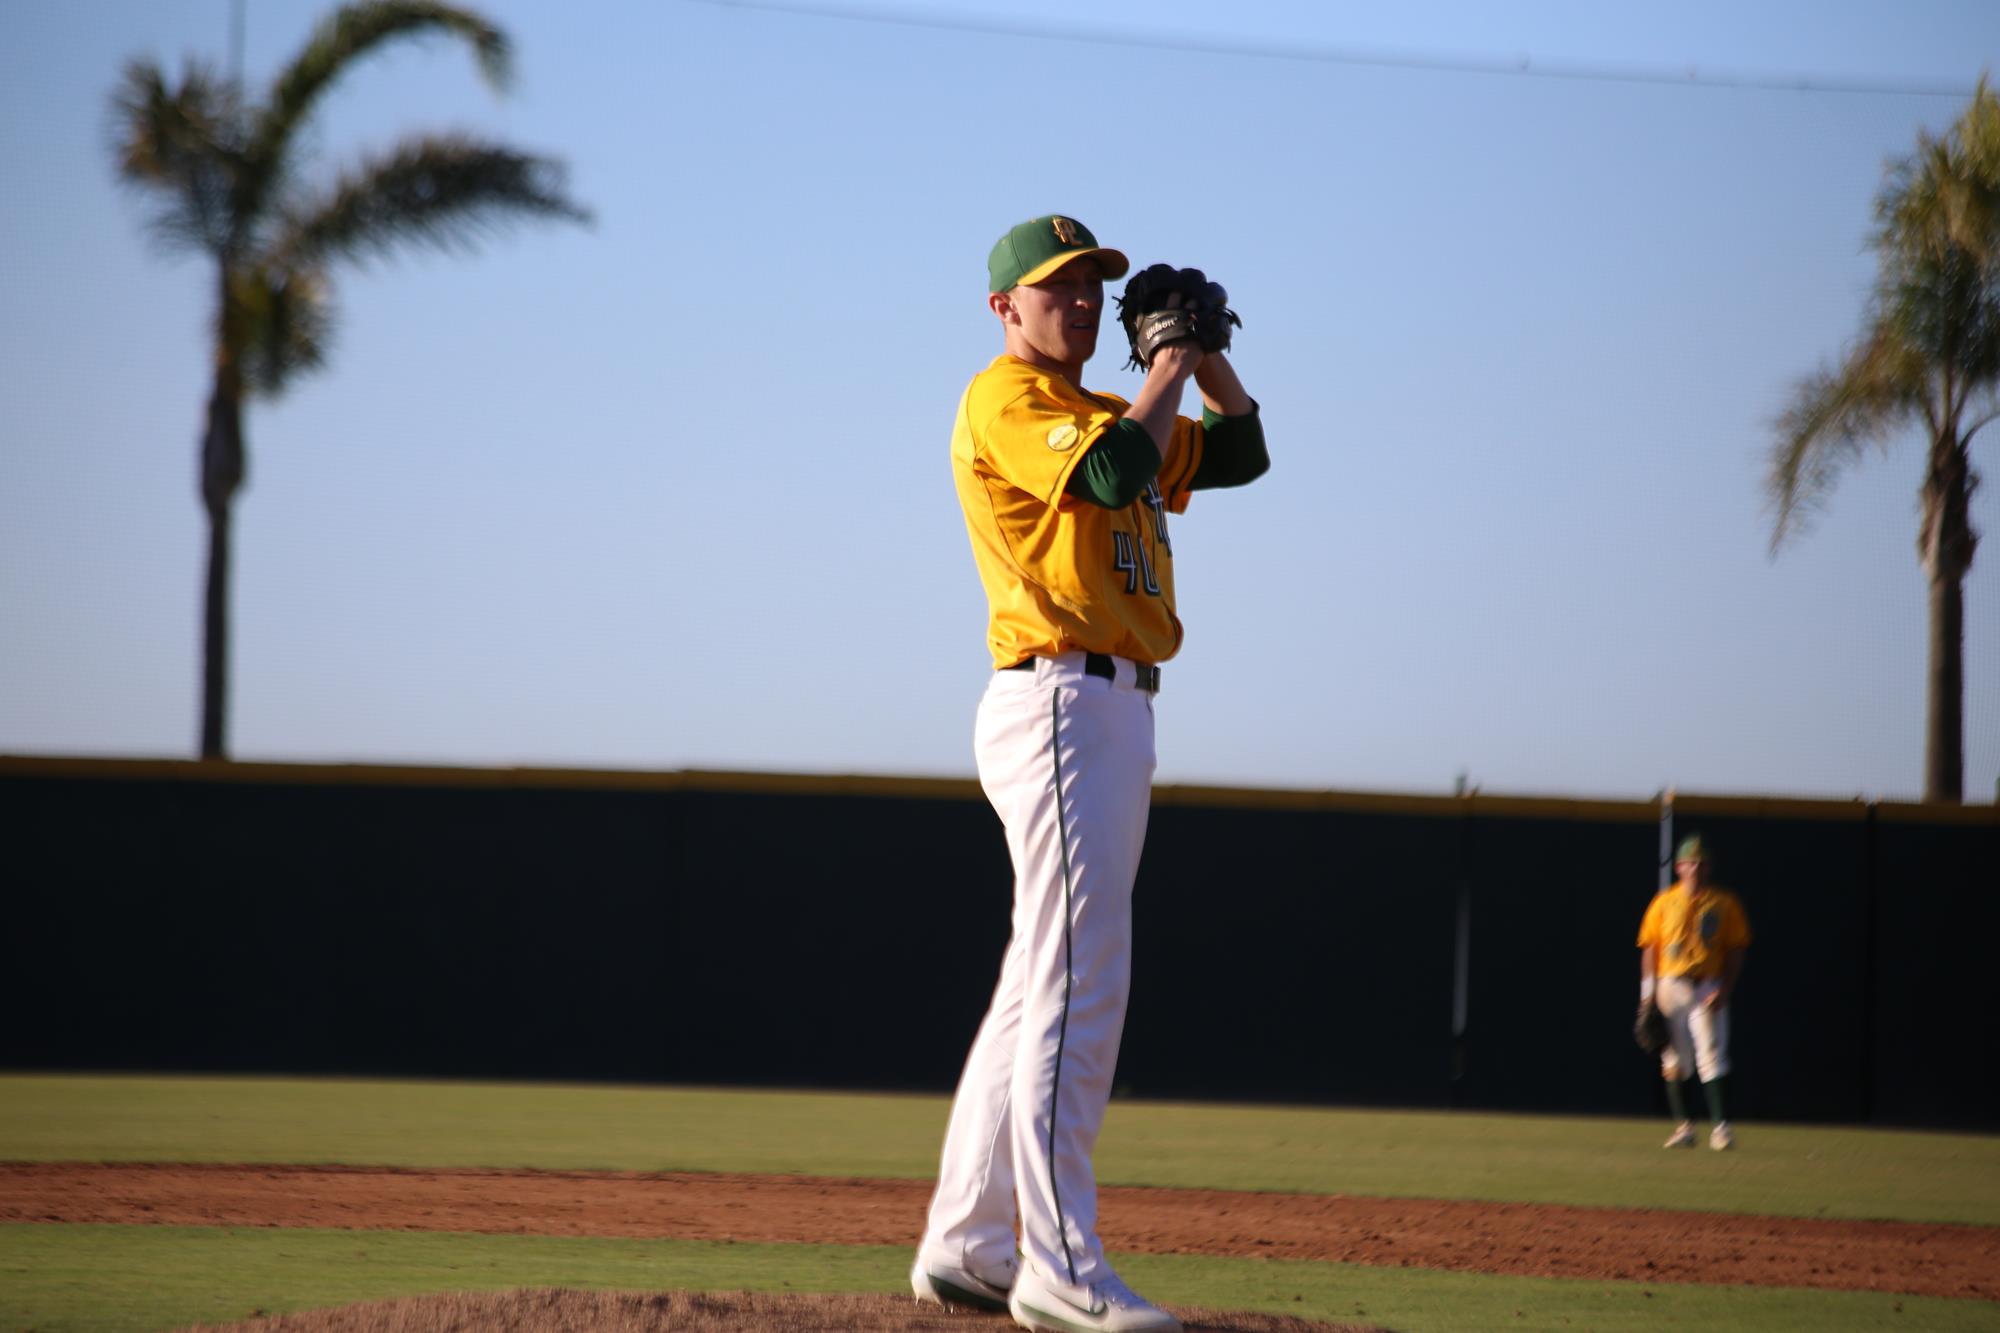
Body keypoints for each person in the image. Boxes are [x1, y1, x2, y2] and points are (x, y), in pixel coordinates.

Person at [910, 215, 1269, 1333]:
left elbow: (1244, 450)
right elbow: (1115, 475)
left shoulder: (1108, 409)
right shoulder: (1005, 400)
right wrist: (1164, 364)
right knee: (1080, 984)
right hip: (1060, 700)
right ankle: (1057, 1265)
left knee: (1035, 989)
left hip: (1106, 708)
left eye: (1090, 283)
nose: (1075, 298)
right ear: (1003, 308)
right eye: (1054, 284)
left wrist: (1205, 353)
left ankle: (964, 1242)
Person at [1637, 834, 1752, 1150]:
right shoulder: (1663, 902)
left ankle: (1721, 1128)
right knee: (1675, 1060)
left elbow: (1735, 948)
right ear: (1679, 867)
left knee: (1711, 1053)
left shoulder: (1724, 902)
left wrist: (1726, 988)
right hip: (1670, 984)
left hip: (1707, 982)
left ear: (1709, 867)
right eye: (1691, 863)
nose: (1696, 869)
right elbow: (1650, 947)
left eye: (1702, 863)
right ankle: (1684, 1127)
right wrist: (1647, 994)